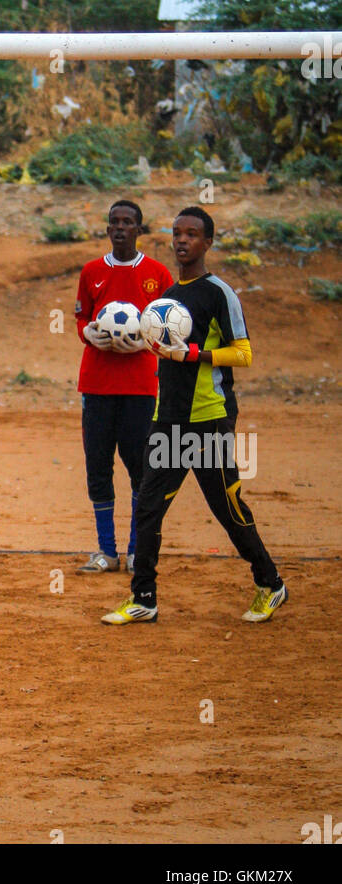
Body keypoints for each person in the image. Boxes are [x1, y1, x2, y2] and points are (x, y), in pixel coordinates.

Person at [102, 206, 287, 625]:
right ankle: (143, 598)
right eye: (177, 233)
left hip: (208, 419)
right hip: (167, 419)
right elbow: (165, 353)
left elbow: (244, 353)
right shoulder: (166, 297)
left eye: (192, 234)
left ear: (208, 243)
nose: (182, 241)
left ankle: (271, 583)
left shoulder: (219, 292)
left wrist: (195, 354)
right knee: (148, 507)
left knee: (227, 509)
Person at [75, 201, 173, 572]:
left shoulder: (157, 273)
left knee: (140, 468)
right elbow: (83, 314)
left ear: (139, 230)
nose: (120, 228)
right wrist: (87, 333)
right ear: (107, 229)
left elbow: (169, 325)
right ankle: (106, 551)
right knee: (98, 466)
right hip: (97, 385)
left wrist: (149, 341)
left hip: (140, 386)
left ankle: (136, 551)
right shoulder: (91, 271)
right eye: (114, 222)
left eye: (127, 222)